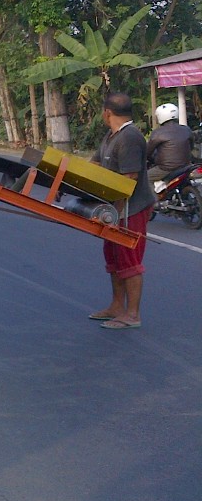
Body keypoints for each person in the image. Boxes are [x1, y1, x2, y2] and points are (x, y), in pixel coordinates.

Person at [88, 92, 155, 330]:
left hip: (130, 208)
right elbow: (94, 165)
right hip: (113, 207)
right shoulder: (111, 136)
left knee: (129, 258)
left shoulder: (131, 137)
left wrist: (114, 214)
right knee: (113, 258)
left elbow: (129, 179)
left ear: (107, 113)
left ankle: (133, 314)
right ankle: (117, 306)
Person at [146, 103, 192, 182]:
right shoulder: (186, 129)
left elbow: (148, 151)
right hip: (186, 165)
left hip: (166, 169)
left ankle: (152, 195)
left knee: (144, 179)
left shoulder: (158, 132)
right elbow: (191, 145)